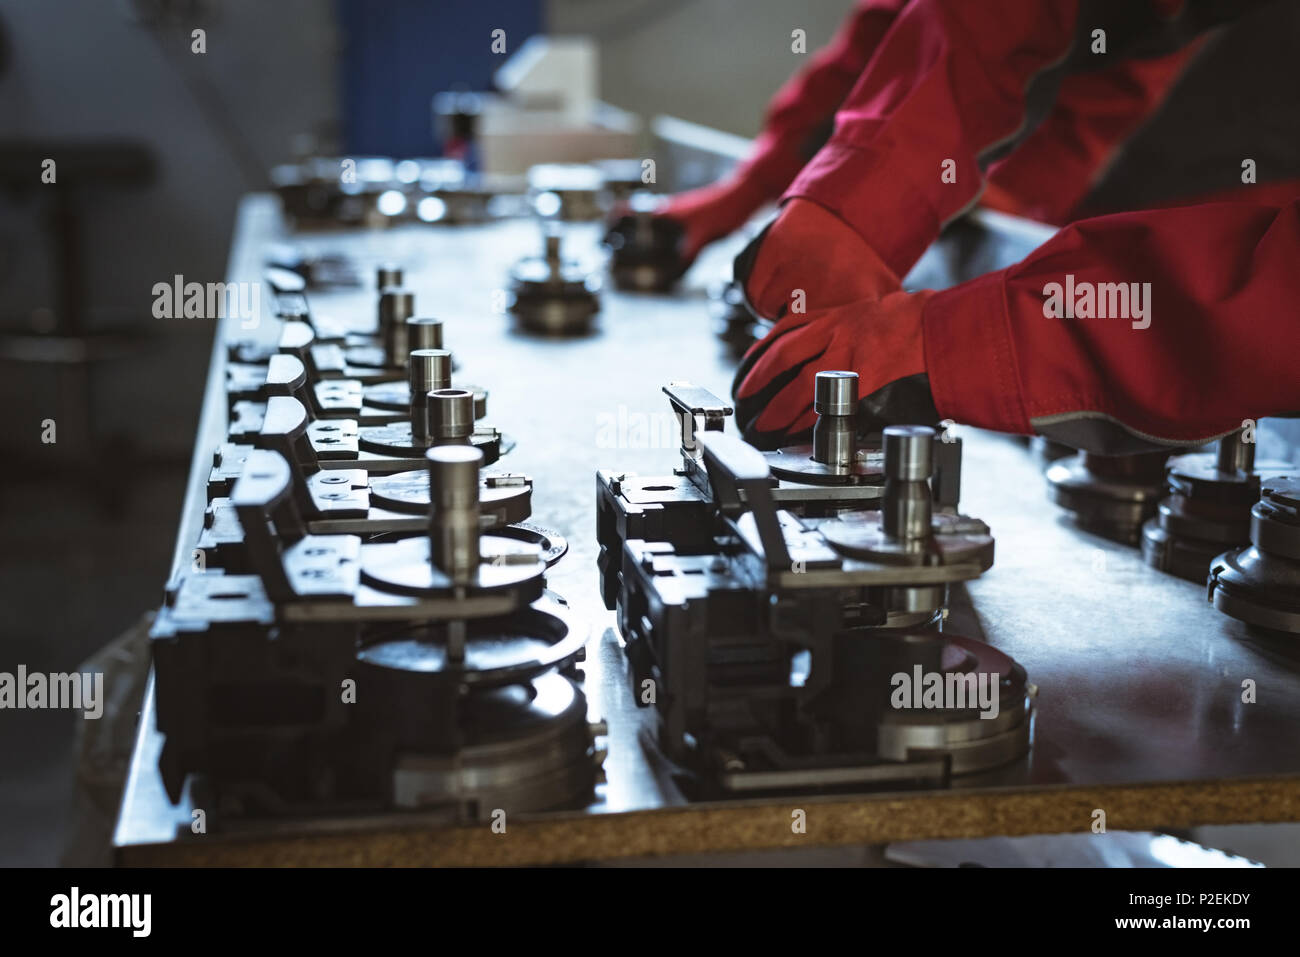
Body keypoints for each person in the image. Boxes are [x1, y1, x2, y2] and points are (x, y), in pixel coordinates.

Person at [628, 0, 1300, 453]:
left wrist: (971, 346)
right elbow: (957, 18)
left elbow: (1274, 310)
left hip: (1231, 199)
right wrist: (842, 197)